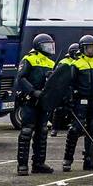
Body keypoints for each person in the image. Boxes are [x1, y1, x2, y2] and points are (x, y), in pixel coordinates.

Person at [14, 33, 57, 175]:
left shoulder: (51, 62)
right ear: (39, 46)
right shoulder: (29, 59)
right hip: (30, 101)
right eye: (47, 45)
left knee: (42, 132)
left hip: (44, 103)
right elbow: (21, 78)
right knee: (26, 132)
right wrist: (33, 92)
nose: (50, 48)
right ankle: (22, 165)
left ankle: (39, 163)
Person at [62, 35, 93, 172]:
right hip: (80, 100)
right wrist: (69, 100)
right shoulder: (76, 64)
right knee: (75, 129)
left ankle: (89, 160)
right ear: (82, 49)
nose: (92, 50)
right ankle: (67, 160)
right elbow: (69, 84)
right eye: (89, 48)